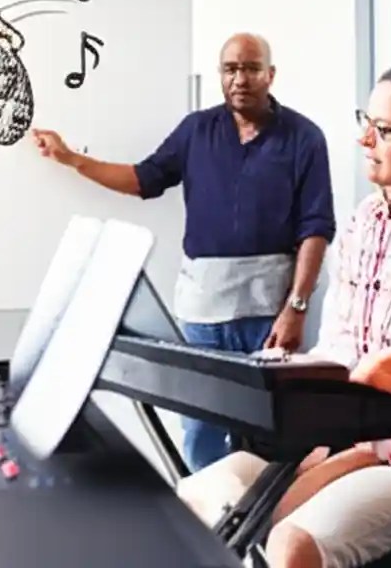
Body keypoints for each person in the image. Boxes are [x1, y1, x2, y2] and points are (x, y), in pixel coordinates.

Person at [177, 57, 391, 568]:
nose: (364, 140)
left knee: (291, 541)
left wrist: (349, 453)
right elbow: (340, 343)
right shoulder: (365, 222)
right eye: (366, 122)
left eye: (383, 129)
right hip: (359, 432)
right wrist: (300, 403)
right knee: (203, 492)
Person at [32, 33, 336, 471]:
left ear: (270, 74)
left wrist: (297, 307)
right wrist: (74, 160)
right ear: (220, 75)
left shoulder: (304, 137)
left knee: (272, 432)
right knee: (200, 430)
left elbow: (316, 228)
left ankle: (263, 532)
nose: (240, 79)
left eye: (251, 68)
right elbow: (144, 179)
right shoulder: (197, 130)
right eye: (230, 69)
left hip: (269, 315)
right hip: (202, 313)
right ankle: (213, 527)